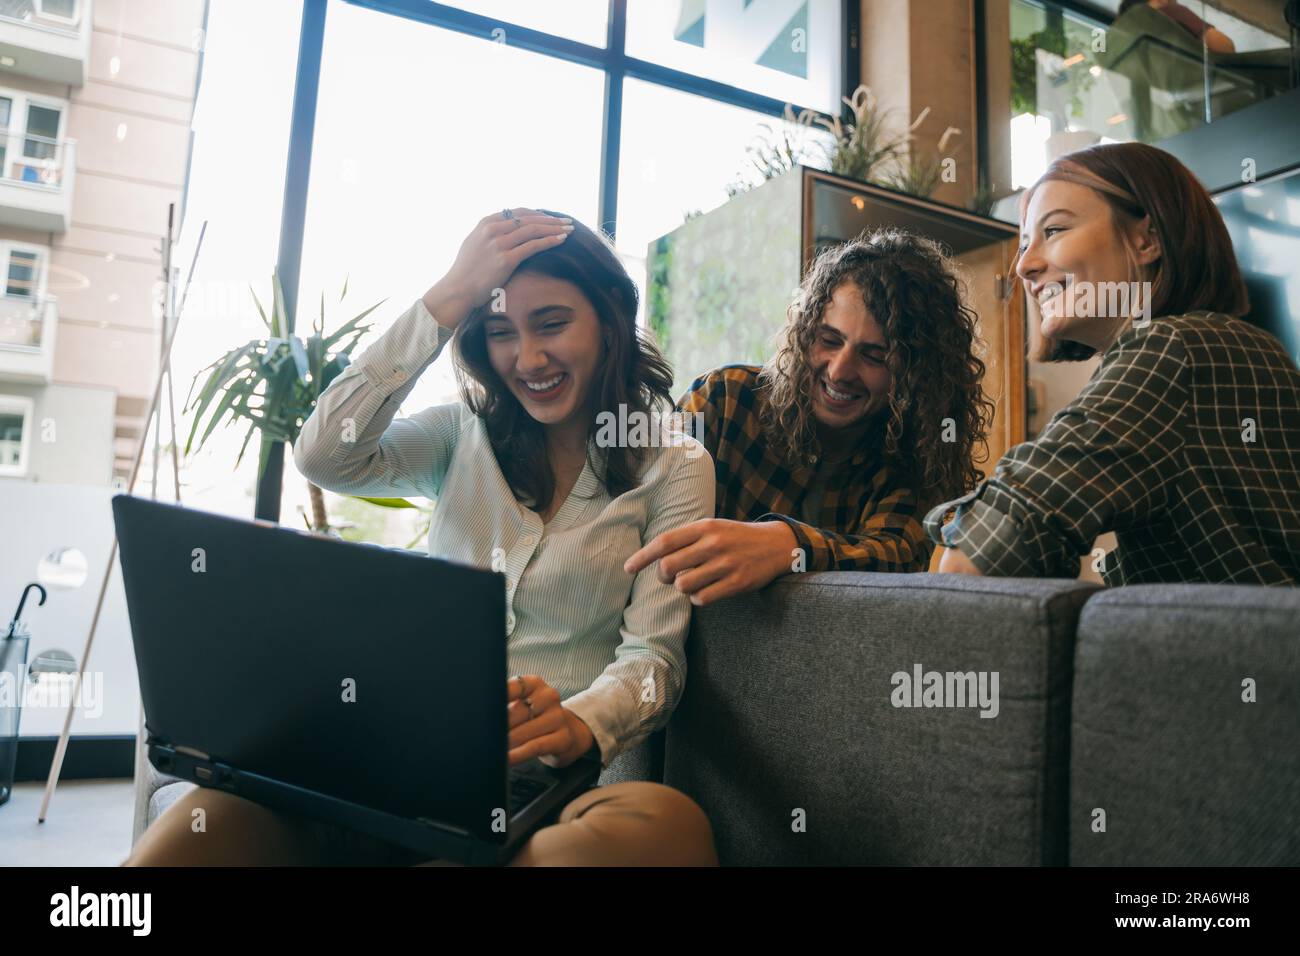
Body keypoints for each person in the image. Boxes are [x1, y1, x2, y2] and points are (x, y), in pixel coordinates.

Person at [125, 209, 719, 866]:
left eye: (551, 323)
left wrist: (581, 722)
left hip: (546, 783)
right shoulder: (459, 434)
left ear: (610, 319)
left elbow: (653, 663)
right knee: (214, 818)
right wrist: (446, 299)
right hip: (389, 759)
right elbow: (324, 455)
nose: (528, 358)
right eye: (499, 331)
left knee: (668, 822)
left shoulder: (675, 467)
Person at [929, 142, 1300, 586]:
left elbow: (976, 557)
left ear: (1148, 240)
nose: (1023, 266)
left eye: (1054, 230)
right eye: (1025, 242)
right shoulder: (1248, 347)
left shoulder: (1168, 349)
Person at [625, 229, 994, 606]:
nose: (839, 371)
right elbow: (638, 512)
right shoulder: (725, 400)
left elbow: (895, 556)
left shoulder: (914, 457)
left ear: (917, 374)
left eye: (874, 356)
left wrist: (788, 545)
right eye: (829, 340)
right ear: (804, 333)